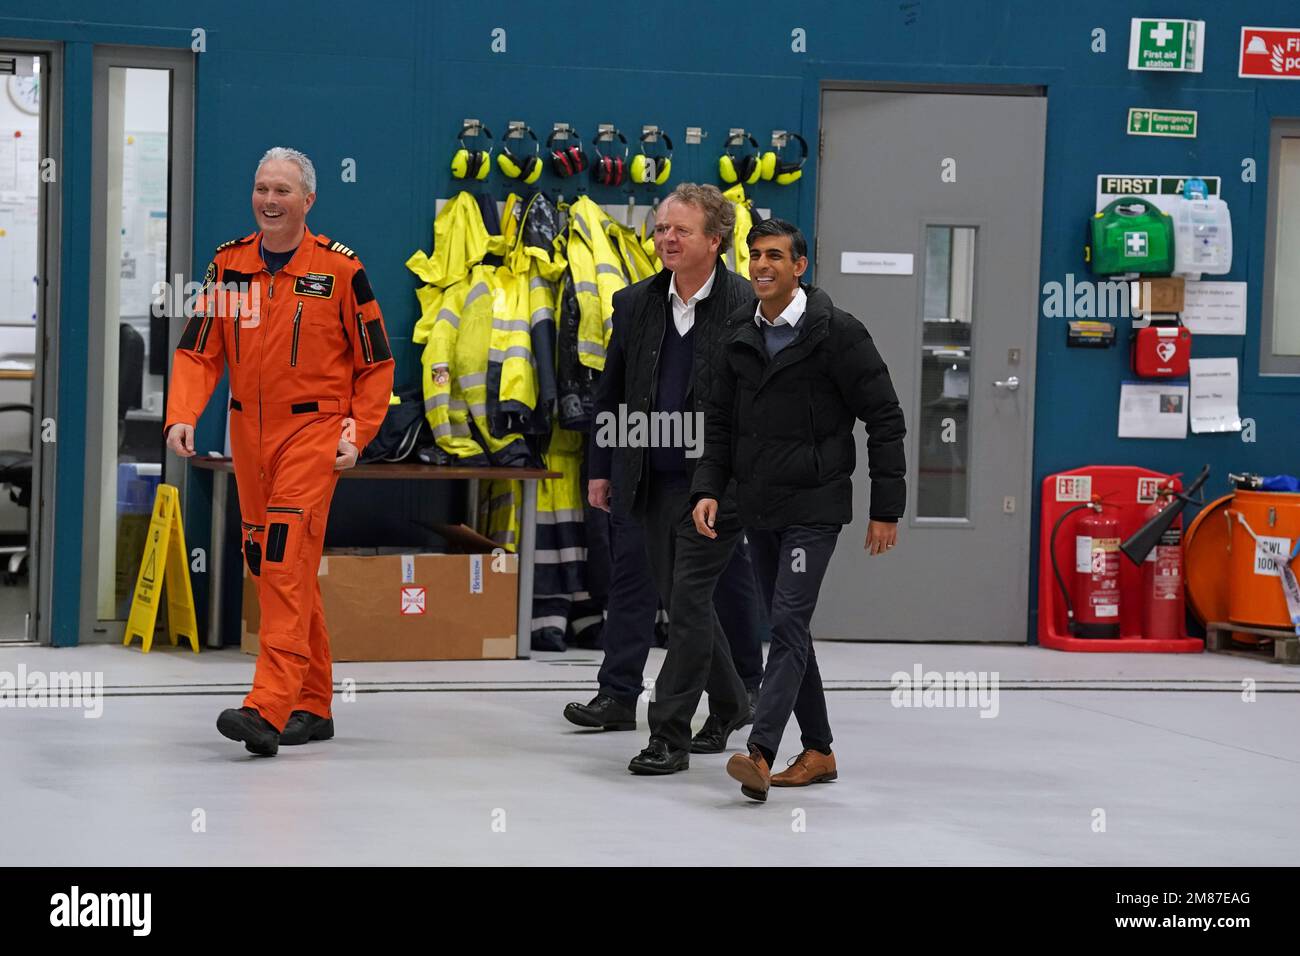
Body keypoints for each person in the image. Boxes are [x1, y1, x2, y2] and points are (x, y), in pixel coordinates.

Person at [165, 147, 394, 756]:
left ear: (308, 201)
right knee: (271, 564)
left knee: (285, 556)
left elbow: (376, 366)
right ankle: (315, 704)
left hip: (312, 435)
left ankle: (267, 707)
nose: (269, 200)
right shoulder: (229, 267)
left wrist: (357, 433)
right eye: (262, 188)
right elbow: (198, 351)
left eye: (283, 191)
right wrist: (183, 414)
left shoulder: (341, 272)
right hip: (247, 435)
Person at [690, 218, 906, 801]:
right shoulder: (739, 331)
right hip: (758, 506)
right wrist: (708, 487)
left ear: (799, 266)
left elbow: (884, 417)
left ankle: (760, 751)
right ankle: (819, 752)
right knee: (792, 626)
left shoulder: (836, 333)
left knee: (784, 623)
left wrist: (886, 507)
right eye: (755, 256)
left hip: (814, 505)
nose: (762, 266)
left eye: (775, 257)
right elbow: (720, 422)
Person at [587, 183, 760, 774]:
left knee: (686, 604)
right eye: (662, 228)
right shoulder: (635, 303)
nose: (667, 238)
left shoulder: (746, 305)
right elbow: (611, 391)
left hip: (716, 484)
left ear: (715, 240)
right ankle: (735, 700)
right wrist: (602, 469)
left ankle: (669, 735)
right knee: (683, 603)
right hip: (647, 476)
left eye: (681, 230)